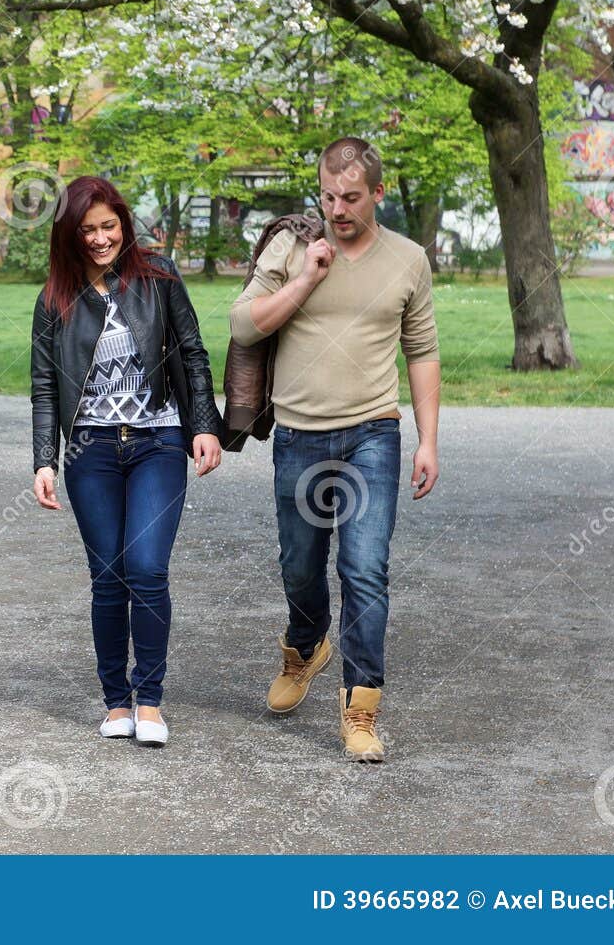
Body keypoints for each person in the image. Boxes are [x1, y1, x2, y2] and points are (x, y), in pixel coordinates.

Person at [228, 138, 441, 762]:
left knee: (364, 569)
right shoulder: (292, 247)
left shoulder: (408, 259)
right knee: (300, 566)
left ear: (378, 193)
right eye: (327, 196)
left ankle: (361, 709)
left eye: (351, 197)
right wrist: (305, 278)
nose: (337, 209)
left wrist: (429, 440)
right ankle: (305, 645)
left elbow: (422, 350)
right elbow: (242, 325)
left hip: (372, 433)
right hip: (298, 434)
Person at [30, 176, 224, 748]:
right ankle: (116, 701)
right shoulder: (54, 299)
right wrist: (45, 460)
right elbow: (45, 386)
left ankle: (151, 701)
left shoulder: (158, 277)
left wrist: (204, 426)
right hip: (89, 450)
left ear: (124, 224)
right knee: (108, 577)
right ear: (70, 235)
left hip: (157, 441)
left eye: (108, 226)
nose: (99, 239)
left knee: (146, 568)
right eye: (87, 230)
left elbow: (193, 353)